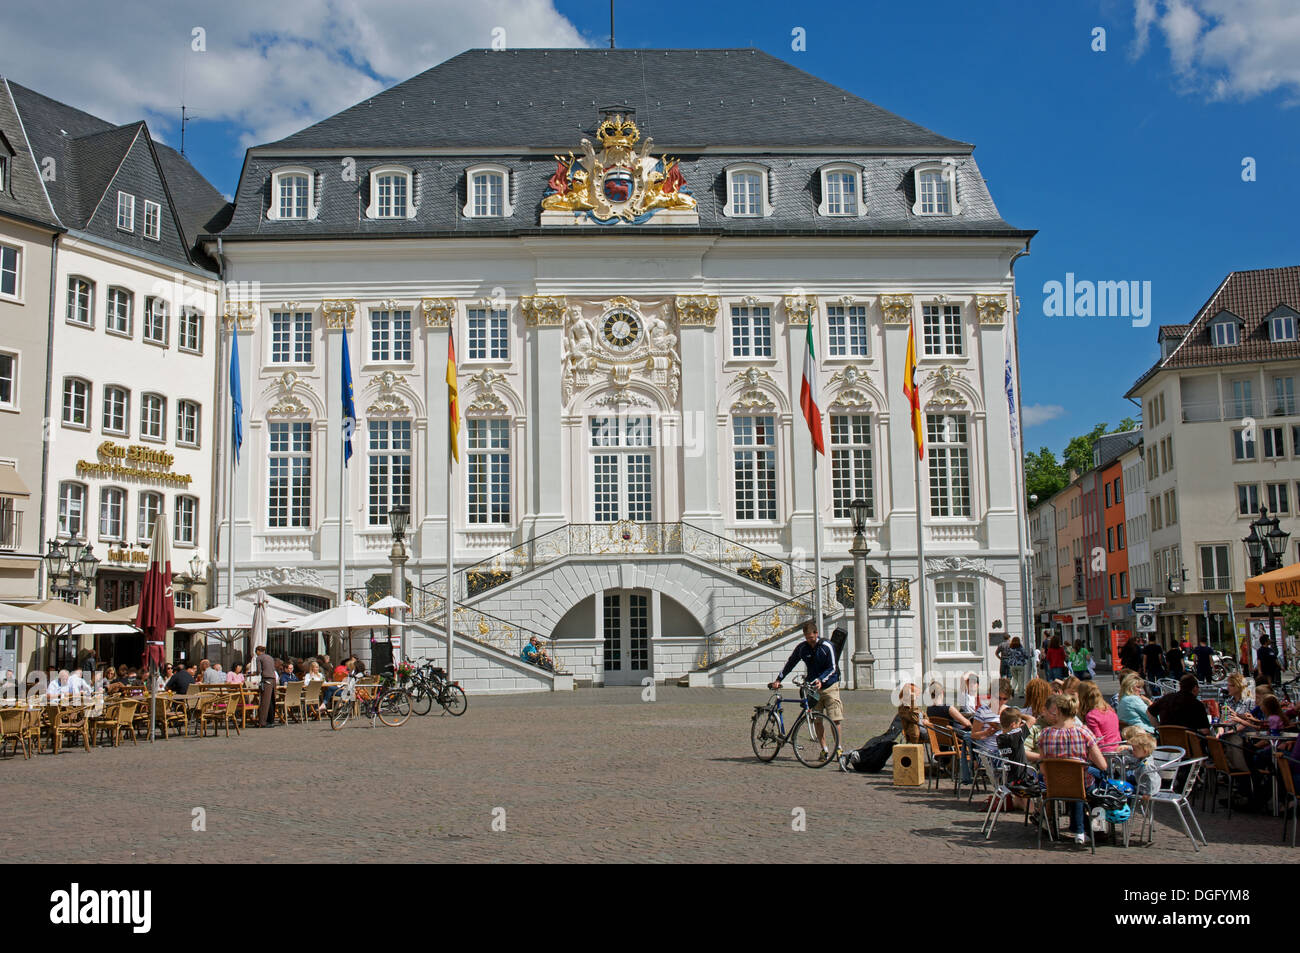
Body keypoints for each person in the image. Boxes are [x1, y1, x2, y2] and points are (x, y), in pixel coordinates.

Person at [1028, 693, 1108, 844]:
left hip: (1054, 786)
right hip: (1081, 785)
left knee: (1075, 783)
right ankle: (1096, 827)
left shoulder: (1045, 734)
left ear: (1057, 711)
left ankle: (1079, 827)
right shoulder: (1084, 732)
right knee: (1101, 782)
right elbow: (1103, 765)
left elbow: (1044, 768)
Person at [770, 620, 843, 763]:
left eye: (812, 638)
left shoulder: (827, 646)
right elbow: (790, 663)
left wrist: (821, 679)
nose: (810, 641)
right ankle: (824, 750)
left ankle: (839, 748)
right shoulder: (802, 648)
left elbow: (833, 667)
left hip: (829, 686)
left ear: (816, 633)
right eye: (807, 638)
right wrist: (779, 679)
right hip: (812, 688)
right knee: (817, 720)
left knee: (835, 719)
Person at [1078, 681, 1122, 751]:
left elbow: (1098, 741)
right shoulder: (1110, 710)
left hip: (1105, 752)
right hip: (1117, 748)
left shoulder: (1091, 716)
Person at [255, 645, 278, 727]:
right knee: (272, 700)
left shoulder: (259, 658)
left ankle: (262, 722)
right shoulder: (270, 657)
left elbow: (258, 671)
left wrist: (251, 674)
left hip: (266, 680)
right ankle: (271, 720)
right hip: (273, 680)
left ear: (258, 651)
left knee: (265, 701)